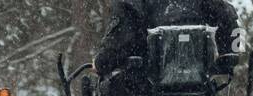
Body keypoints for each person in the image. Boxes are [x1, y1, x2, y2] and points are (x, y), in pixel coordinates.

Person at [94, 0, 240, 78]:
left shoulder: (132, 4)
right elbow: (229, 17)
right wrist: (228, 58)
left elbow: (120, 36)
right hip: (200, 90)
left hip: (147, 95)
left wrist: (102, 62)